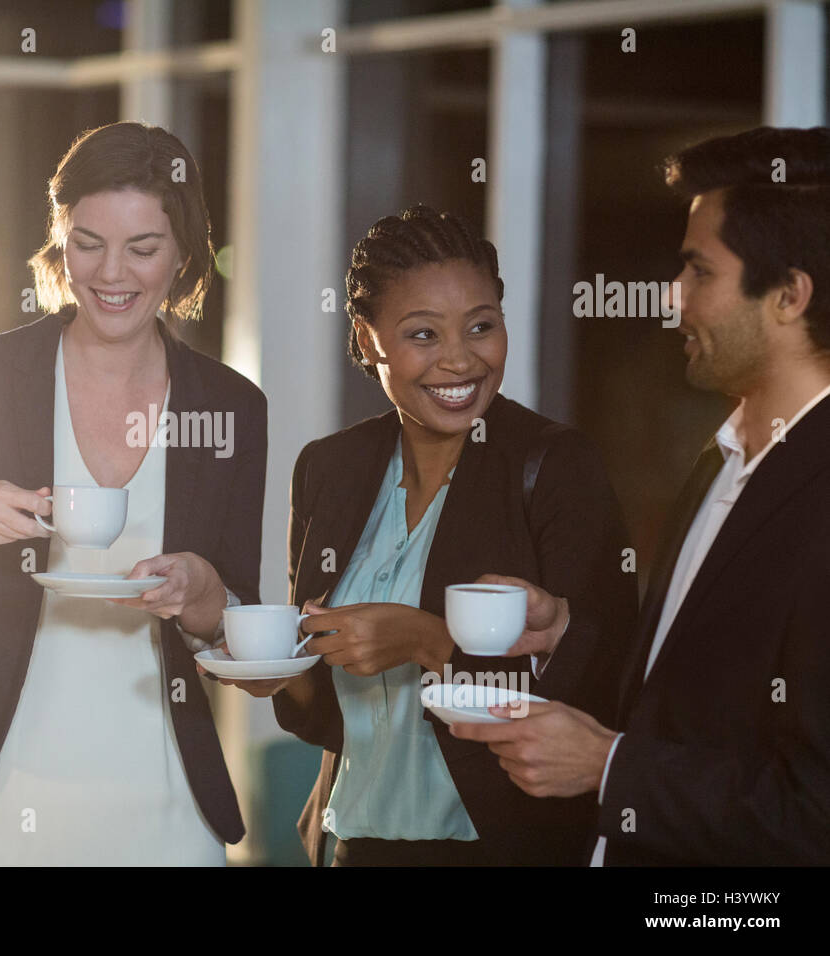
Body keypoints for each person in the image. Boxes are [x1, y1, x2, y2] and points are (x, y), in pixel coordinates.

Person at [452, 127, 830, 866]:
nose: (670, 298)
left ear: (788, 295)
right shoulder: (723, 458)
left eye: (698, 273)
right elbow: (690, 681)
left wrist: (609, 768)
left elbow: (815, 813)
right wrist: (565, 630)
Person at [218, 206, 637, 866]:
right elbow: (328, 715)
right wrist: (279, 672)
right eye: (423, 333)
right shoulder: (330, 467)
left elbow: (599, 690)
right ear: (367, 337)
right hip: (352, 844)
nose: (459, 358)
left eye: (481, 326)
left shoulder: (555, 465)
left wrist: (427, 640)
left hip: (500, 849)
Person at [0, 121, 267, 865]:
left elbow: (237, 638)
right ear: (59, 239)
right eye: (88, 242)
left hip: (164, 801)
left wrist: (203, 591)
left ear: (183, 253)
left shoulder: (230, 407)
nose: (112, 273)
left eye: (143, 248)